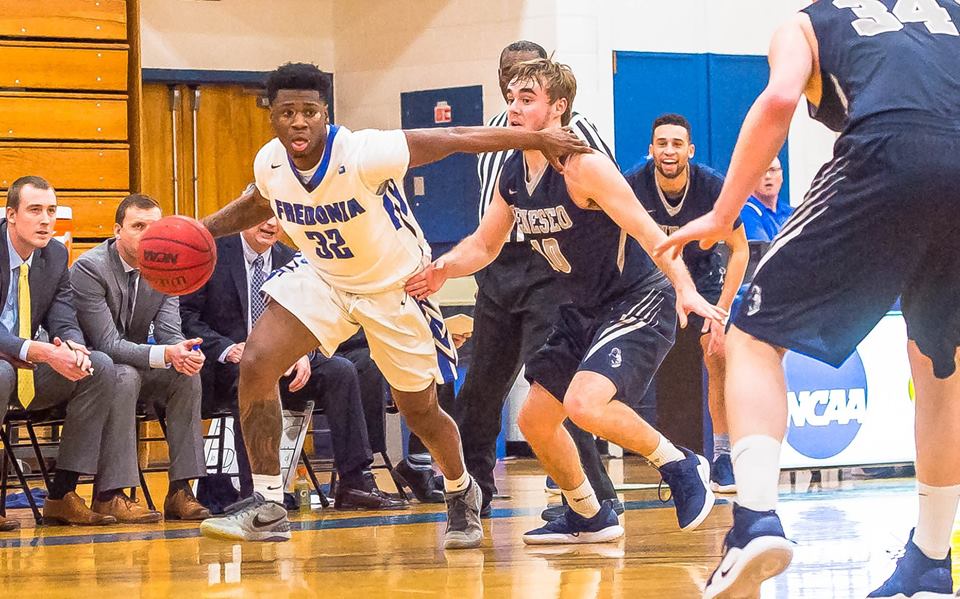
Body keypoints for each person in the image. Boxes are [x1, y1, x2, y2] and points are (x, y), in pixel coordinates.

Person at [196, 61, 589, 547]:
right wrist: (201, 230)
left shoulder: (364, 152)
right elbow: (261, 200)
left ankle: (460, 488)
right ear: (272, 116)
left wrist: (536, 139)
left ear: (326, 114)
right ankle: (268, 503)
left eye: (310, 112)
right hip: (324, 277)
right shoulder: (270, 162)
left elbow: (457, 137)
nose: (299, 122)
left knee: (419, 412)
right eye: (287, 112)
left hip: (392, 289)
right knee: (256, 362)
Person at [654, 3, 960, 597]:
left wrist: (722, 213)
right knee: (939, 369)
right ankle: (929, 559)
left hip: (887, 155)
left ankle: (755, 521)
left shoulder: (808, 22)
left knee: (749, 334)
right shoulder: (951, 14)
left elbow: (778, 100)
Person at [406, 57, 725, 545]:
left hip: (635, 298)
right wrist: (442, 267)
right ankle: (588, 513)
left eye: (526, 99)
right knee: (534, 420)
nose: (513, 108)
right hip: (582, 309)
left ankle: (682, 465)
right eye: (511, 99)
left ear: (558, 108)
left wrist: (684, 285)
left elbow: (647, 231)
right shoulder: (514, 171)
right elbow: (486, 244)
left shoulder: (583, 166)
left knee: (583, 403)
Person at [459, 39, 621, 521]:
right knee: (479, 391)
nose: (515, 87)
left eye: (526, 79)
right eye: (509, 78)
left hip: (548, 265)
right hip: (496, 269)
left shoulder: (577, 131)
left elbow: (609, 198)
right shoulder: (494, 132)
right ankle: (474, 491)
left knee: (550, 385)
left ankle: (594, 494)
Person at [181, 216, 404, 511]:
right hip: (227, 368)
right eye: (262, 216)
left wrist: (303, 352)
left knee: (342, 370)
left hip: (284, 363)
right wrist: (226, 348)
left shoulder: (293, 261)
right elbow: (187, 317)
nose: (271, 224)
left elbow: (314, 317)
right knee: (249, 372)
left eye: (278, 217)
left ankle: (353, 482)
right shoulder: (213, 256)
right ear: (243, 217)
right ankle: (259, 492)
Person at [626, 114, 748, 495]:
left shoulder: (711, 187)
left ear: (690, 151)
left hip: (704, 281)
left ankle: (724, 455)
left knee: (718, 353)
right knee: (616, 355)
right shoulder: (632, 185)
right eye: (661, 143)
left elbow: (740, 251)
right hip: (649, 282)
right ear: (651, 150)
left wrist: (721, 313)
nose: (669, 150)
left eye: (677, 143)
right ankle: (586, 452)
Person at [70, 193, 210, 522]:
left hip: (135, 363)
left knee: (185, 374)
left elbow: (169, 333)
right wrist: (166, 353)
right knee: (123, 375)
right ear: (117, 230)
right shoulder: (90, 268)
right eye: (138, 226)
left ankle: (180, 490)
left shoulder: (165, 268)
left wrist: (186, 353)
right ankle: (111, 495)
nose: (148, 234)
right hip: (90, 369)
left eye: (154, 227)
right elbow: (105, 343)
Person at [0, 176, 120, 528]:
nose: (45, 220)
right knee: (1, 372)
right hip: (7, 364)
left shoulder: (54, 254)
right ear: (11, 215)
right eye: (35, 210)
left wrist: (72, 346)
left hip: (30, 364)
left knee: (97, 366)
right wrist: (34, 349)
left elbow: (63, 315)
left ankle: (62, 495)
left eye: (50, 211)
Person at [740, 156, 792, 244]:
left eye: (773, 170)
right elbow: (765, 251)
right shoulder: (744, 212)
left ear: (782, 175)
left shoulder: (791, 212)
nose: (768, 176)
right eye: (761, 170)